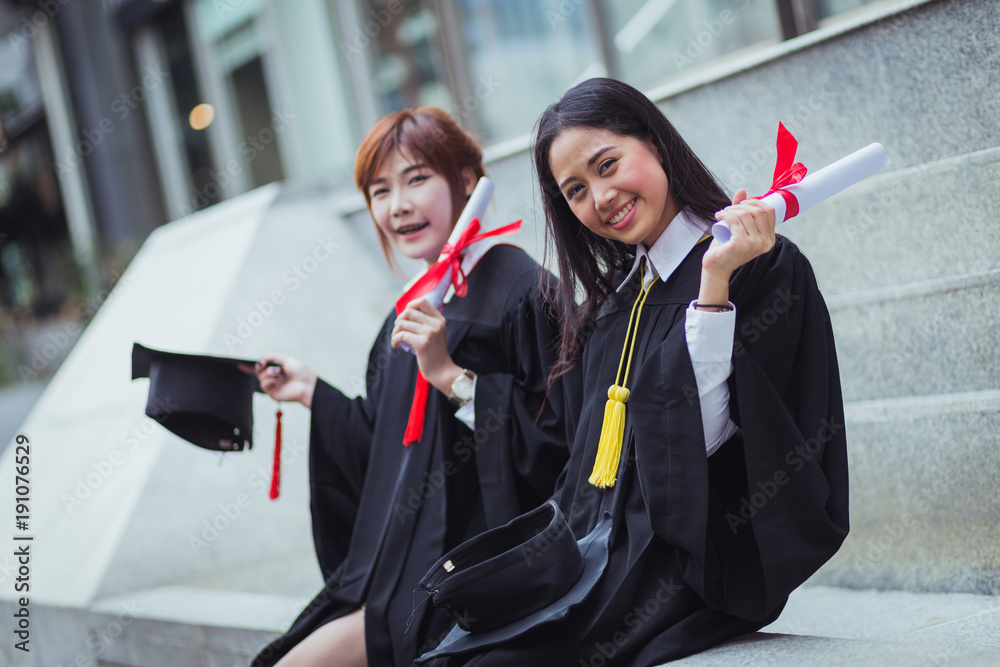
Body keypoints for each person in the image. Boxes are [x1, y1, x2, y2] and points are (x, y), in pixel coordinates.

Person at [415, 78, 849, 666]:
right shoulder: (616, 300)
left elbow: (708, 439)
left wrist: (714, 287)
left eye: (608, 164)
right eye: (575, 189)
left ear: (655, 142)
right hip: (591, 553)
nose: (600, 196)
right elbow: (574, 463)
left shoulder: (759, 269)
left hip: (681, 565)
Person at [249, 107, 575, 667]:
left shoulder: (522, 291)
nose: (396, 205)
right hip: (399, 580)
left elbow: (559, 442)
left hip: (480, 579)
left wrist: (450, 376)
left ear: (467, 182)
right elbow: (386, 457)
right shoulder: (411, 309)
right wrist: (312, 393)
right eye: (379, 191)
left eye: (416, 179)